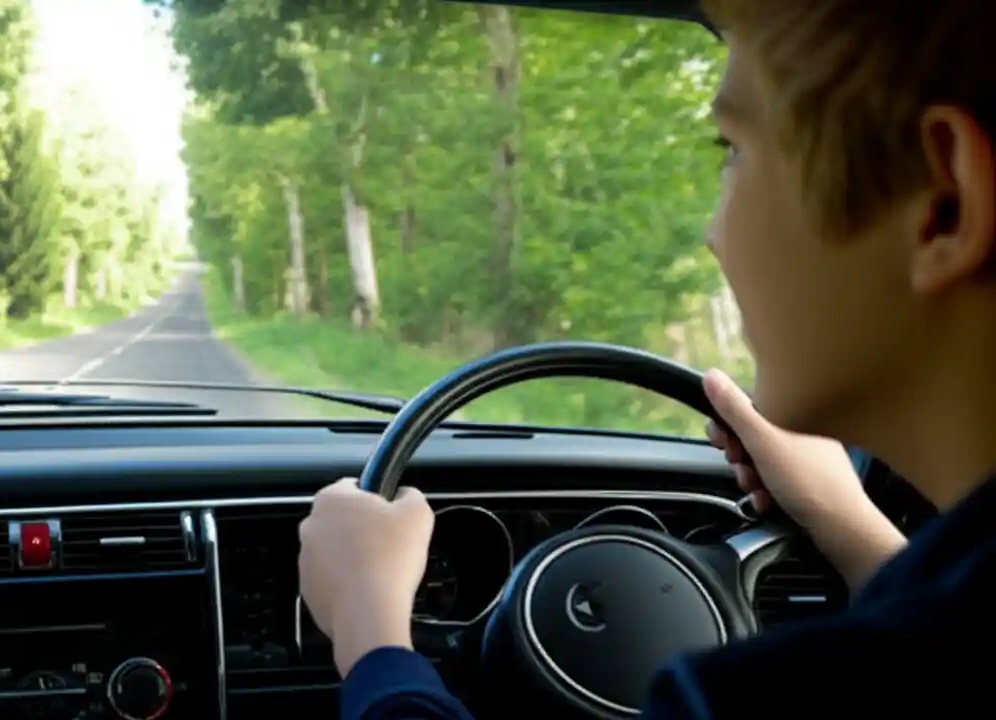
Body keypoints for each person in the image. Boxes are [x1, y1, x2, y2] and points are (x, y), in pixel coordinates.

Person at [298, 0, 996, 717]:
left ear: (943, 204)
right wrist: (845, 520)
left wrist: (370, 630)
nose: (712, 235)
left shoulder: (752, 696)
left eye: (733, 150)